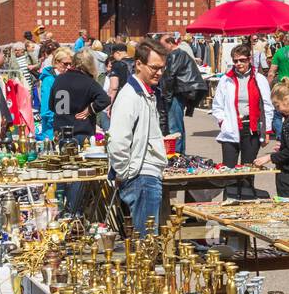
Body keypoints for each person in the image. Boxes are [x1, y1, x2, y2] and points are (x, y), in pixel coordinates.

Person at [107, 38, 168, 236]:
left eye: (162, 68)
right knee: (146, 242)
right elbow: (117, 140)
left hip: (146, 173)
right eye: (154, 67)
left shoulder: (146, 93)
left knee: (146, 241)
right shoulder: (129, 96)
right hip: (141, 176)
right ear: (139, 64)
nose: (159, 72)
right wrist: (126, 172)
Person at [211, 43, 271, 198]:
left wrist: (267, 131)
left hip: (251, 129)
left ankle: (246, 202)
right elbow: (217, 105)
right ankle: (229, 201)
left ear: (249, 59)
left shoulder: (259, 79)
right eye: (235, 61)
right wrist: (223, 122)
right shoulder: (226, 80)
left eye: (242, 60)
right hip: (231, 129)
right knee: (229, 170)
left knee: (247, 170)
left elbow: (267, 106)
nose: (238, 64)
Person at [159, 32, 208, 154]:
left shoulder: (175, 54)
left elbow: (170, 76)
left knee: (174, 127)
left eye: (163, 45)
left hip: (177, 93)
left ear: (170, 43)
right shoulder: (180, 53)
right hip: (181, 92)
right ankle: (179, 153)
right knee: (177, 126)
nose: (162, 48)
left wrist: (167, 97)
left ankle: (177, 154)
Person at [51, 48, 110, 145]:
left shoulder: (59, 79)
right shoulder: (89, 82)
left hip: (60, 134)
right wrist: (90, 110)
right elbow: (105, 99)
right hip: (81, 133)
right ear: (90, 65)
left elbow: (52, 106)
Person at [268, 31, 289, 137]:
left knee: (278, 115)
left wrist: (268, 89)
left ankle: (281, 137)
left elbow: (271, 73)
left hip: (282, 89)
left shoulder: (280, 52)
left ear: (288, 39)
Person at [38, 43, 65, 139]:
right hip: (52, 129)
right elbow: (46, 108)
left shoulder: (64, 77)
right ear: (57, 62)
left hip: (64, 125)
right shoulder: (48, 80)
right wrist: (55, 123)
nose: (69, 67)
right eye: (65, 64)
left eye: (71, 64)